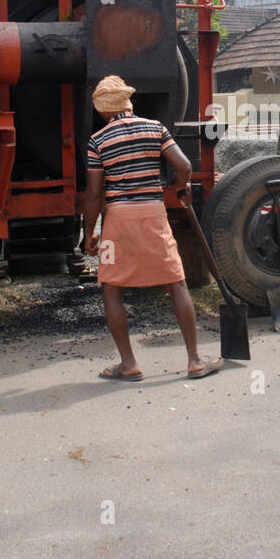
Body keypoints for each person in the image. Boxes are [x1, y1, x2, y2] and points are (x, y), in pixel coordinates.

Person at [83, 75, 223, 381]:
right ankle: (195, 360)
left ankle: (129, 364)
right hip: (153, 214)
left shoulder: (98, 141)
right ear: (127, 103)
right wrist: (178, 188)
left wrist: (89, 233)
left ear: (102, 109)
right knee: (176, 282)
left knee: (111, 287)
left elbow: (94, 194)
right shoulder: (155, 128)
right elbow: (184, 166)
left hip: (117, 220)